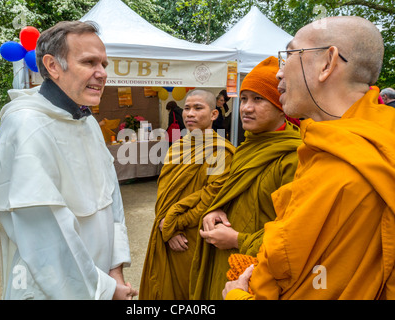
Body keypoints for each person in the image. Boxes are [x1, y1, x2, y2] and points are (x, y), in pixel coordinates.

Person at [223, 16, 395, 300]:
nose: (278, 74)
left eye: (289, 55)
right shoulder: (356, 140)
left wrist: (237, 296)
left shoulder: (345, 172)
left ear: (327, 63)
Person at [0, 21, 137, 300]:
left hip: (100, 279)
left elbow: (112, 198)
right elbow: (46, 235)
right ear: (52, 66)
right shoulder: (26, 126)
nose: (102, 74)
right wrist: (105, 290)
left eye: (104, 64)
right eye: (89, 62)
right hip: (52, 288)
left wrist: (115, 268)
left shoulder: (88, 122)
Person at [189, 56, 302, 300]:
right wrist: (214, 210)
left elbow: (295, 233)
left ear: (281, 104)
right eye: (243, 99)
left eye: (258, 99)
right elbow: (232, 194)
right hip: (225, 261)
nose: (246, 108)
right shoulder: (246, 148)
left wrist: (238, 240)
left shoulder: (295, 156)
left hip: (258, 271)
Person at [139, 89, 236, 300]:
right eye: (187, 108)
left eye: (198, 108)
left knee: (188, 291)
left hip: (193, 236)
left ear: (214, 115)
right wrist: (169, 231)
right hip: (168, 230)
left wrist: (174, 225)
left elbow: (209, 200)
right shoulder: (179, 146)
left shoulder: (220, 151)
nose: (189, 113)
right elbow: (164, 192)